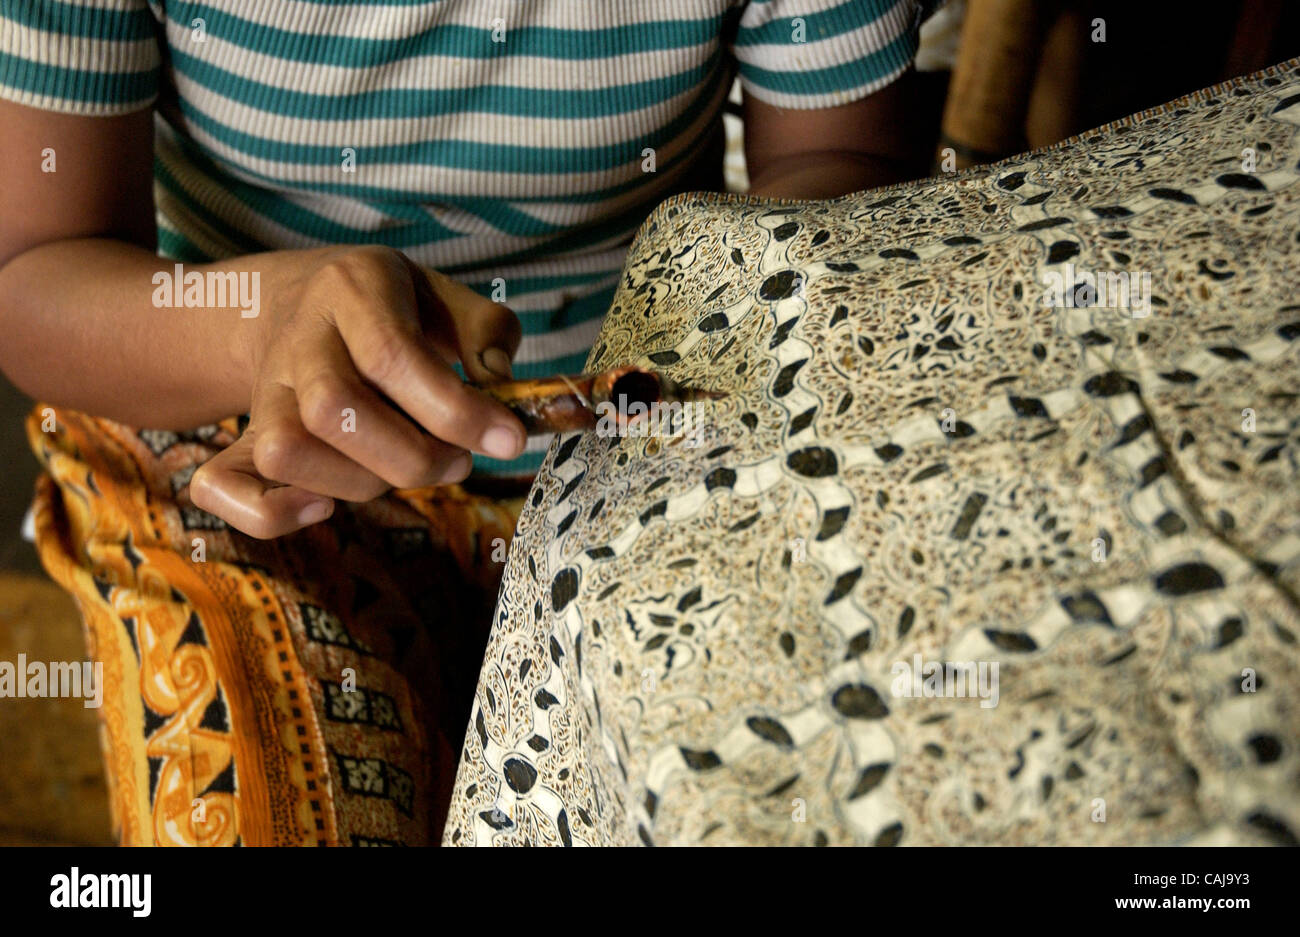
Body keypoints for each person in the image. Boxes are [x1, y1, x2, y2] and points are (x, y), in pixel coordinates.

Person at [0, 0, 931, 844]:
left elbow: (846, 177)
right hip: (235, 446)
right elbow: (34, 276)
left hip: (652, 431)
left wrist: (674, 381)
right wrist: (261, 323)